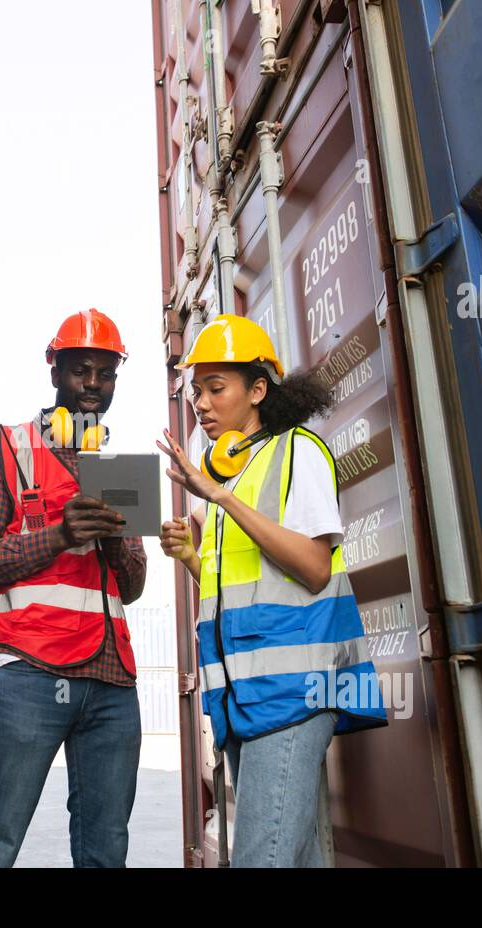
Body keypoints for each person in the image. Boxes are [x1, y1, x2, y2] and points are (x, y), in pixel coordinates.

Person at [155, 313, 387, 868]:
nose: (202, 405)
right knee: (294, 856)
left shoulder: (296, 452)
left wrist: (220, 499)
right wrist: (192, 557)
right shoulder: (234, 474)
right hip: (246, 701)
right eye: (196, 393)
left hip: (293, 694)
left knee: (264, 858)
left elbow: (313, 567)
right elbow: (244, 596)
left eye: (217, 389)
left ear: (258, 389)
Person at [0, 308, 147, 868]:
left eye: (106, 374)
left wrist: (113, 541)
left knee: (106, 851)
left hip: (112, 681)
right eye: (80, 370)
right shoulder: (5, 447)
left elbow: (130, 586)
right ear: (54, 369)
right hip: (32, 675)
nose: (93, 386)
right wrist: (60, 535)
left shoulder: (120, 464)